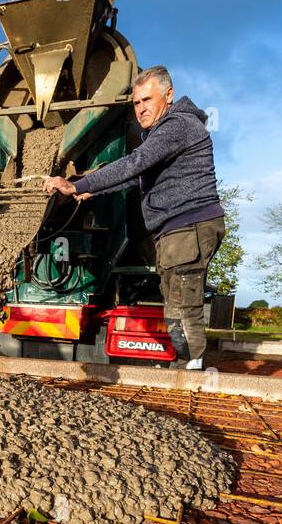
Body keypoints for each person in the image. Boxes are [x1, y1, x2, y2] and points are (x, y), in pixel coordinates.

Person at [43, 65, 224, 369]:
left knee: (184, 305)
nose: (140, 109)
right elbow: (137, 177)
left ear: (168, 95)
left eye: (147, 100)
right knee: (175, 304)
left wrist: (77, 184)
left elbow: (135, 162)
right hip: (176, 229)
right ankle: (184, 366)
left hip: (189, 226)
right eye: (136, 103)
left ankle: (191, 373)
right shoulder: (164, 132)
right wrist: (89, 191)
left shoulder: (178, 125)